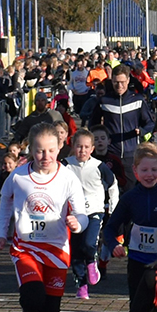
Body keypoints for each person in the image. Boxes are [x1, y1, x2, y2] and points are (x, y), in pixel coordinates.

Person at [0, 122, 88, 312]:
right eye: (39, 151)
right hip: (26, 248)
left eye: (50, 150)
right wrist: (2, 233)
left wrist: (78, 223)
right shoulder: (19, 176)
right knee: (34, 296)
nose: (45, 157)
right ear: (30, 151)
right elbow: (5, 200)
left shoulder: (68, 177)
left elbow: (81, 212)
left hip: (57, 251)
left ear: (60, 148)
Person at [105, 143, 157, 301]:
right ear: (135, 170)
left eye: (154, 170)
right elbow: (110, 227)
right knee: (137, 306)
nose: (149, 175)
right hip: (138, 261)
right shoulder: (130, 197)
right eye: (144, 170)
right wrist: (113, 245)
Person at [64, 128, 118, 300]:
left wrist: (113, 208)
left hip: (94, 211)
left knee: (89, 243)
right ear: (73, 146)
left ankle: (92, 261)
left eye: (87, 147)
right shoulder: (65, 165)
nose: (83, 151)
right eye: (79, 147)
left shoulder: (98, 166)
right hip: (73, 214)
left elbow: (113, 185)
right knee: (76, 250)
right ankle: (81, 285)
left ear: (92, 149)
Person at [91, 65, 155, 174]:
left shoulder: (138, 100)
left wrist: (142, 131)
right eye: (116, 82)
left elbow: (150, 123)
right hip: (110, 154)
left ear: (128, 80)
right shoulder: (104, 101)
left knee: (131, 188)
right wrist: (99, 139)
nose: (119, 86)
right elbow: (93, 124)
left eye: (122, 82)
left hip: (132, 153)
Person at [91, 125, 127, 190]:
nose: (99, 141)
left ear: (109, 141)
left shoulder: (114, 159)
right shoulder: (89, 160)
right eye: (96, 139)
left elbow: (123, 181)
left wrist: (110, 177)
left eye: (103, 138)